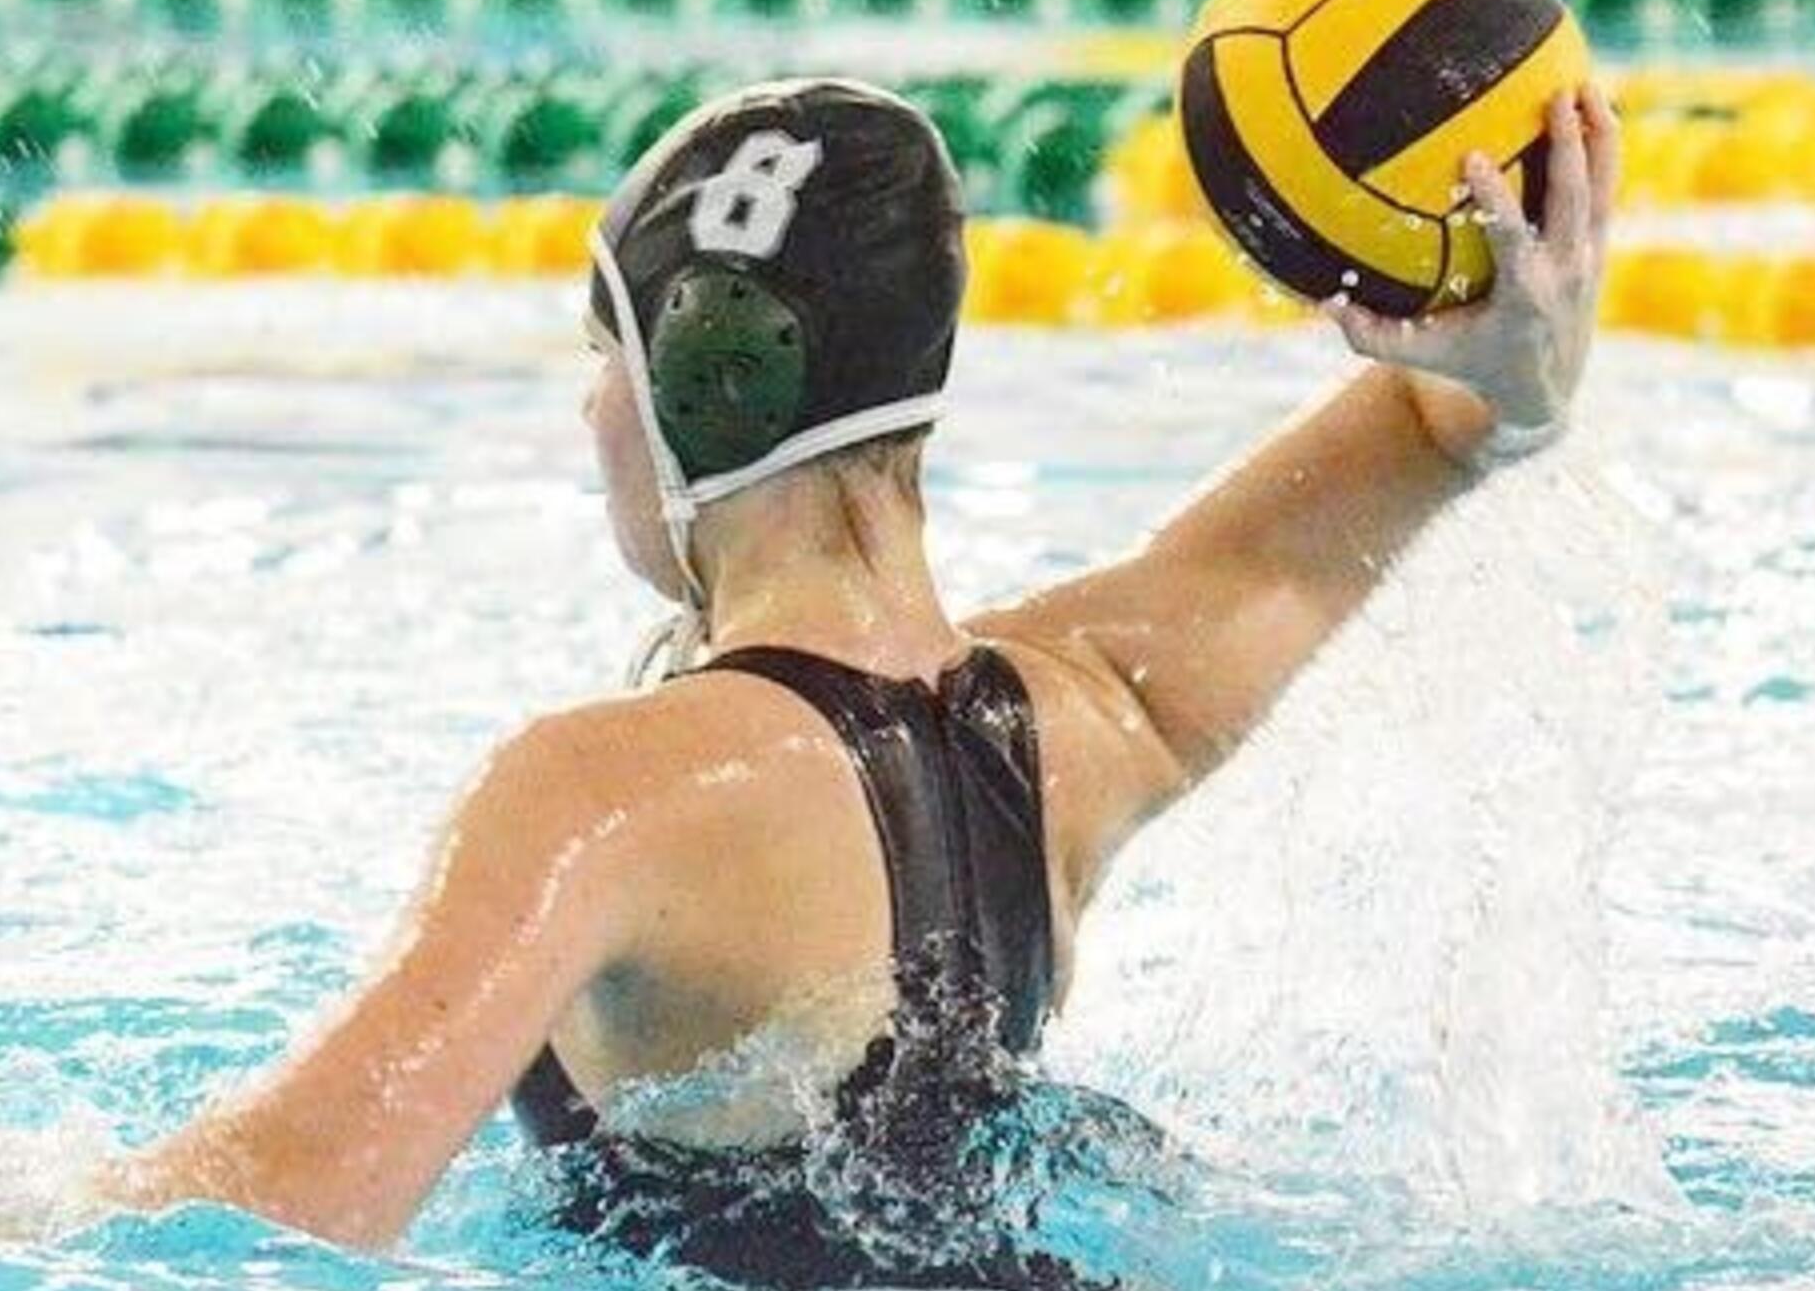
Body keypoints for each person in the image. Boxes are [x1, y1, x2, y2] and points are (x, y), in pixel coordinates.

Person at [92, 72, 1618, 1284]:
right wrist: (1522, 370)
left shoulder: (599, 793)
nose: (588, 410)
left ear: (716, 366)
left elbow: (296, 1202)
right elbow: (1438, 430)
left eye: (606, 348)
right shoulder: (1088, 719)